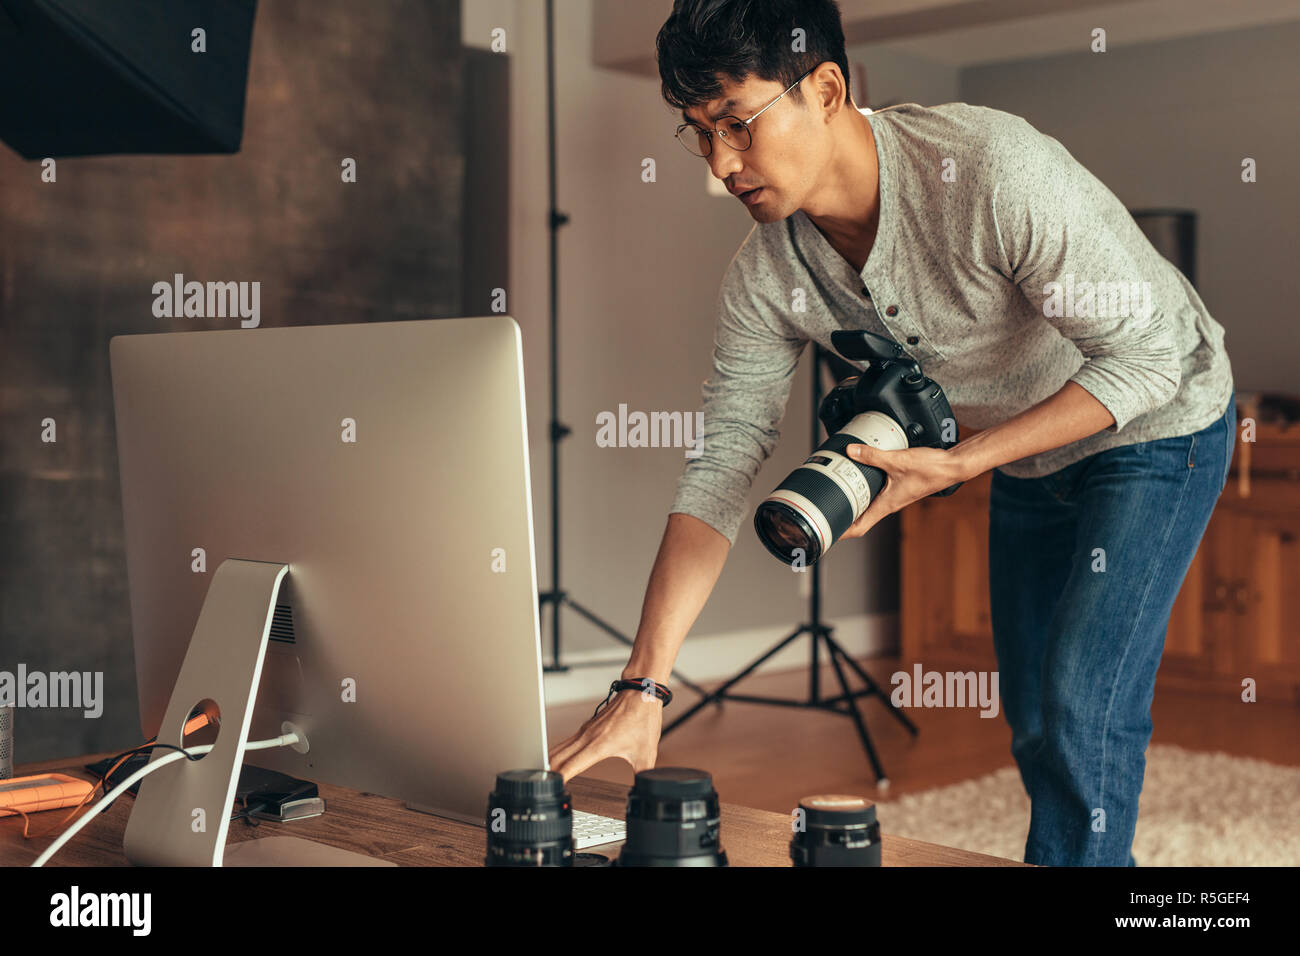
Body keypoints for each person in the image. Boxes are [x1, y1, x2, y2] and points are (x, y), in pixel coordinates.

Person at [548, 0, 1235, 867]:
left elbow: (1145, 361)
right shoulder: (768, 275)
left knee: (1080, 703)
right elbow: (723, 463)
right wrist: (643, 686)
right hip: (1027, 452)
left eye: (735, 123)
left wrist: (959, 463)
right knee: (1035, 715)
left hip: (1160, 423)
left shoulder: (990, 169)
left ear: (825, 88)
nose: (721, 163)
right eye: (698, 132)